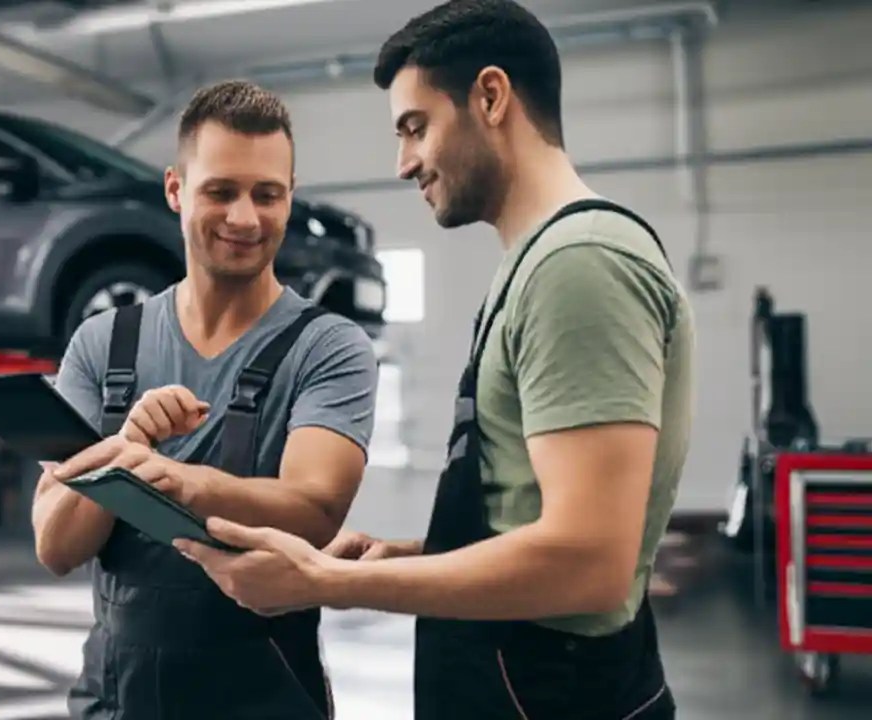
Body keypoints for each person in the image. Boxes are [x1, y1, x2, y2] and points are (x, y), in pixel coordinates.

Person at [175, 2, 696, 719]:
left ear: (490, 97)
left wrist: (325, 581)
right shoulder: (541, 266)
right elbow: (532, 515)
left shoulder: (581, 266)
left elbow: (589, 564)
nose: (404, 162)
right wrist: (419, 555)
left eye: (415, 126)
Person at [31, 79, 379, 720]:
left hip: (266, 703)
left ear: (289, 198)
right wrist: (126, 449)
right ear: (175, 190)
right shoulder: (103, 342)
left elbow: (314, 508)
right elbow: (55, 546)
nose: (244, 218)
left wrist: (179, 482)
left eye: (266, 195)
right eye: (221, 191)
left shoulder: (329, 347)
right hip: (116, 702)